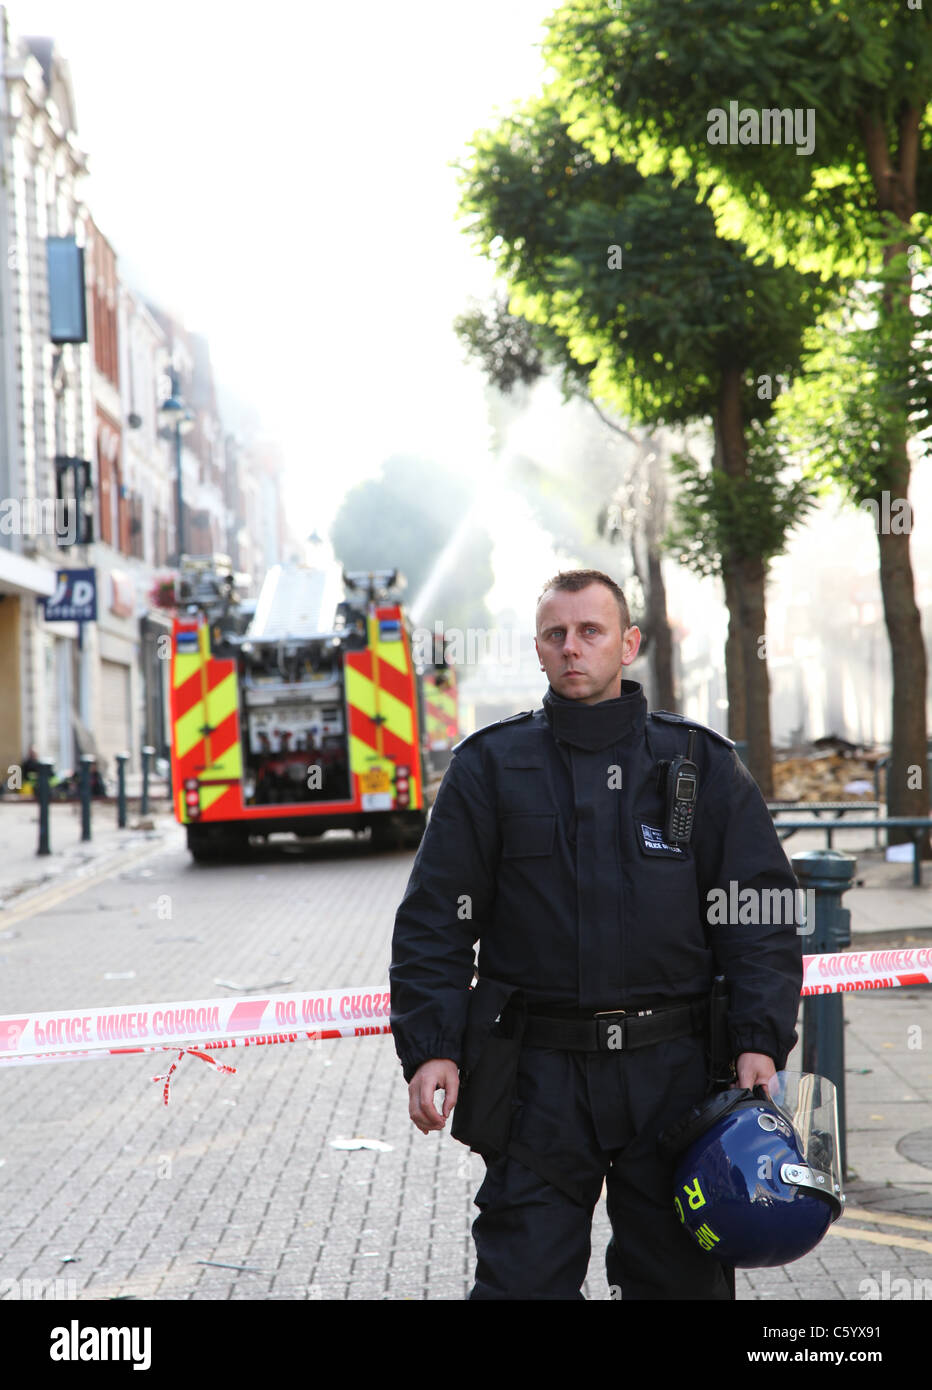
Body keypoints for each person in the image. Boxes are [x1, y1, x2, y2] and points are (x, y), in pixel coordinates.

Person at [390, 569, 802, 1300]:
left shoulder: (699, 765)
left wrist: (759, 1037)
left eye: (591, 631)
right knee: (522, 1285)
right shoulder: (490, 769)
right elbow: (435, 921)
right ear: (539, 651)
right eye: (556, 635)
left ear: (628, 643)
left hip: (677, 1081)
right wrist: (434, 1048)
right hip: (536, 1082)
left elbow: (757, 912)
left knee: (680, 1285)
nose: (572, 648)